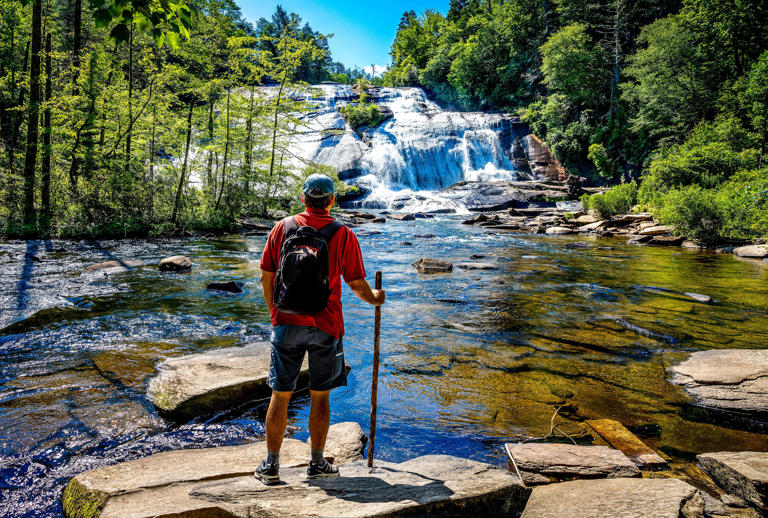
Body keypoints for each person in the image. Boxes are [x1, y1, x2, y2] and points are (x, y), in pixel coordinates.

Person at [254, 173, 386, 485]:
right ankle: (316, 463)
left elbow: (266, 275)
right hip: (327, 325)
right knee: (320, 396)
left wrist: (275, 312)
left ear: (303, 199)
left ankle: (271, 466)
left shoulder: (282, 228)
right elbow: (355, 282)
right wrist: (375, 300)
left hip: (286, 321)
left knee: (280, 393)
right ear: (331, 201)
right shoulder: (343, 233)